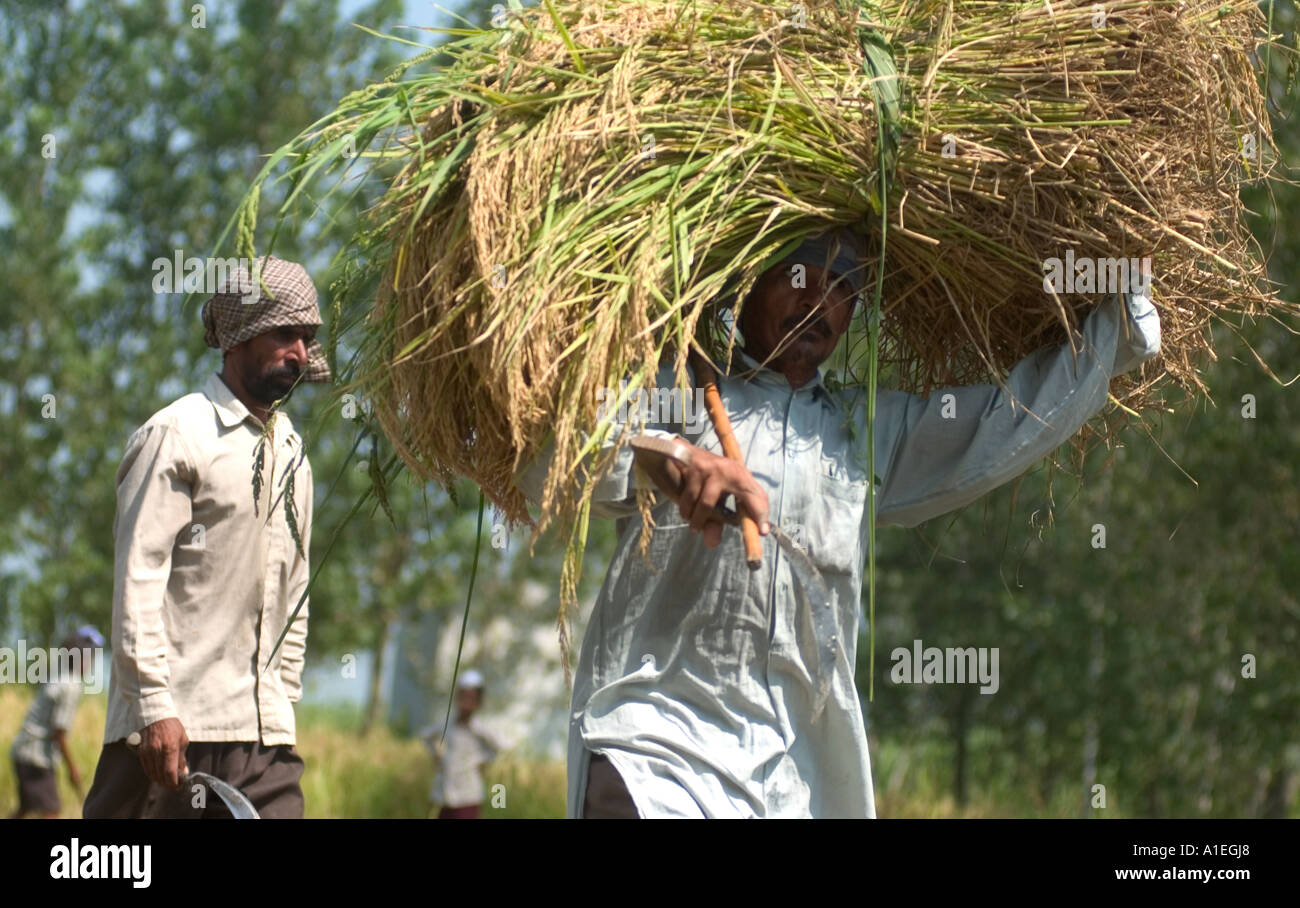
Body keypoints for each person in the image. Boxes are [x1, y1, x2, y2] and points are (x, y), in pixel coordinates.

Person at [517, 229, 1162, 818]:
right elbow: (564, 453)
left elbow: (1003, 421)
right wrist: (674, 460)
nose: (816, 303)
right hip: (659, 734)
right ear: (747, 288)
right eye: (799, 278)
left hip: (795, 764)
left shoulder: (863, 433)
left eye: (842, 288)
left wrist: (1117, 323)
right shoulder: (682, 389)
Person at [83, 256, 330, 819]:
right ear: (239, 335)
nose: (299, 353)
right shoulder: (178, 434)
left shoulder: (291, 453)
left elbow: (295, 594)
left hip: (262, 742)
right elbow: (138, 580)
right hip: (170, 736)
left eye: (307, 339)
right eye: (285, 334)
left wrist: (281, 703)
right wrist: (152, 707)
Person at [8, 627, 103, 819]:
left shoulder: (58, 676)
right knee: (51, 811)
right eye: (90, 659)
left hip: (22, 751)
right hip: (36, 757)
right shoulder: (71, 686)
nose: (91, 664)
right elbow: (58, 733)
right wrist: (72, 768)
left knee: (23, 809)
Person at [421, 670, 501, 819]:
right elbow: (426, 736)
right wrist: (437, 757)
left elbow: (496, 747)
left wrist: (479, 761)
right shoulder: (448, 724)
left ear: (478, 701)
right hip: (446, 793)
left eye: (471, 698)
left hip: (468, 795)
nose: (466, 703)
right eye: (463, 697)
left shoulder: (479, 728)